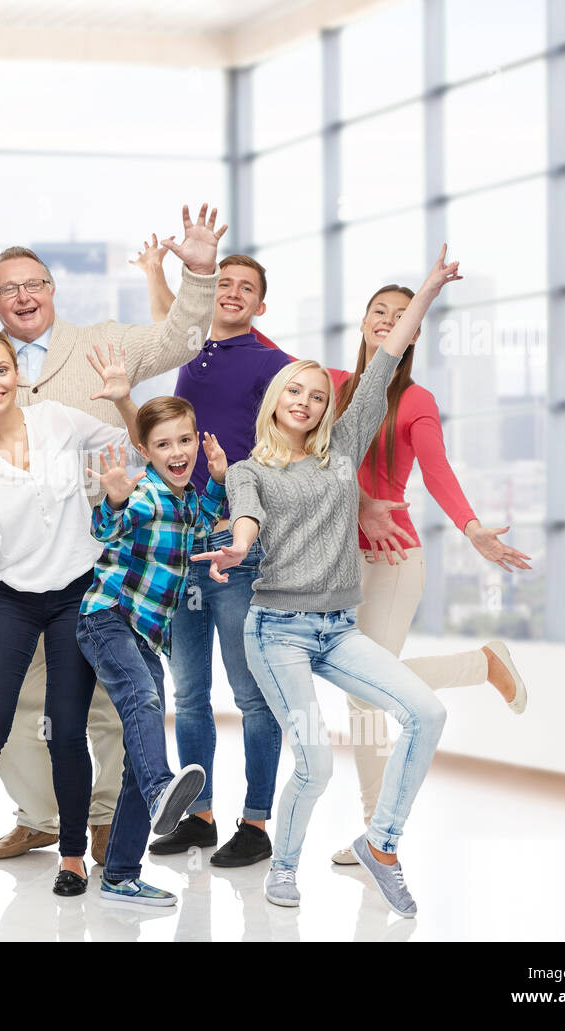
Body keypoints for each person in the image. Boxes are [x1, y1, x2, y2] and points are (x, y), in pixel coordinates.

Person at [145, 257, 532, 869]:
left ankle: (369, 832)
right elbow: (235, 340)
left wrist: (469, 526)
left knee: (363, 697)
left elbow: (431, 461)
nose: (303, 400)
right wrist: (175, 284)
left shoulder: (385, 412)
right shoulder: (302, 410)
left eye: (401, 318)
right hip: (306, 574)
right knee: (342, 705)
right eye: (380, 310)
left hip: (384, 558)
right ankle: (295, 836)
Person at [196, 245, 464, 918]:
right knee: (315, 762)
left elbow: (382, 365)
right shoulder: (249, 471)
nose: (307, 401)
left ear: (328, 407)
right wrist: (236, 547)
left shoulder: (343, 447)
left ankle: (381, 843)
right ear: (276, 399)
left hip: (337, 630)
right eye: (296, 390)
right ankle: (283, 866)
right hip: (279, 631)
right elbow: (248, 518)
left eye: (318, 396)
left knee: (426, 712)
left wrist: (428, 289)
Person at [0, 206, 227, 866]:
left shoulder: (102, 343)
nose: (23, 296)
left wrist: (197, 272)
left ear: (52, 289)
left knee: (109, 699)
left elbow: (180, 340)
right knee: (19, 704)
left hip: (105, 558)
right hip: (16, 569)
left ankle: (107, 816)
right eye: (7, 288)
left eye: (34, 284)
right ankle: (39, 815)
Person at [0, 330, 138, 897]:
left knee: (67, 731)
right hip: (10, 598)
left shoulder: (58, 422)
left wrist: (121, 398)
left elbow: (140, 446)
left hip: (75, 591)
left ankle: (72, 855)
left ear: (16, 373)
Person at [131, 243, 289, 868]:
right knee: (190, 694)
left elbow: (297, 438)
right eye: (223, 283)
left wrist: (245, 507)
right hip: (179, 541)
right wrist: (154, 274)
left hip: (234, 544)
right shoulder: (196, 347)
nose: (230, 293)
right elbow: (179, 319)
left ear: (260, 303)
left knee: (251, 694)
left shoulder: (273, 364)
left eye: (244, 287)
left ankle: (255, 823)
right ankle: (199, 818)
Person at [77, 372, 235, 906]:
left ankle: (121, 874)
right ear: (145, 450)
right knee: (143, 702)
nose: (177, 451)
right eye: (163, 444)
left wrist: (216, 479)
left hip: (147, 636)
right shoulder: (142, 494)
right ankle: (161, 790)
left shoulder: (189, 498)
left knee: (136, 752)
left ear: (197, 440)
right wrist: (114, 501)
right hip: (108, 618)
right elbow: (107, 530)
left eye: (185, 440)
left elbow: (208, 517)